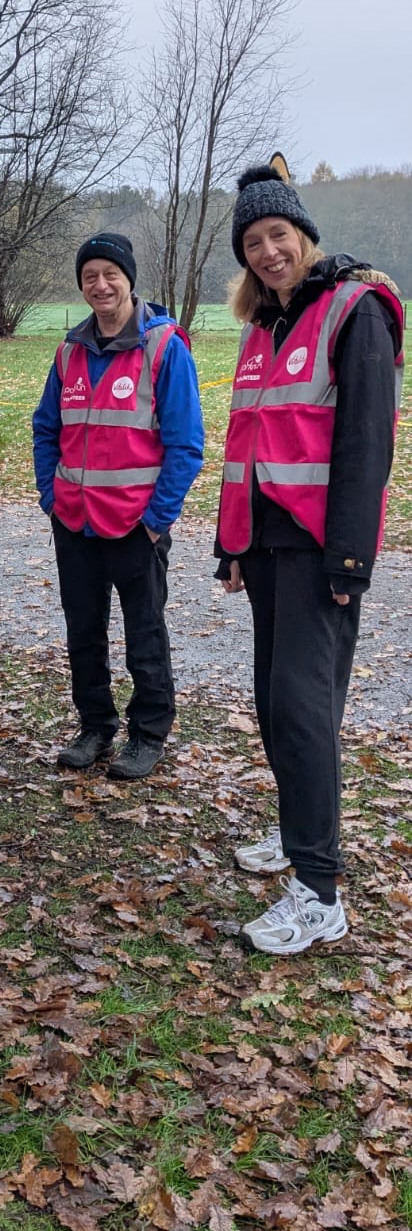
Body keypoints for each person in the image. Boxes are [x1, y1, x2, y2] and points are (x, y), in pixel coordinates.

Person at [217, 164, 404, 954]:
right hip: (265, 546)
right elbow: (245, 441)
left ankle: (319, 894)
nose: (268, 252)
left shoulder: (354, 311)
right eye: (253, 243)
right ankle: (299, 830)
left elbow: (367, 444)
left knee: (301, 709)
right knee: (279, 704)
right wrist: (229, 543)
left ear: (304, 235)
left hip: (319, 548)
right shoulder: (264, 327)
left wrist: (350, 560)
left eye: (278, 235)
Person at [33, 232, 204, 779]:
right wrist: (51, 496)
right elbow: (46, 429)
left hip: (136, 526)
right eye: (90, 276)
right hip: (75, 523)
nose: (100, 285)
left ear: (129, 280)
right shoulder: (70, 352)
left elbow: (186, 445)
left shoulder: (163, 347)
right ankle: (95, 726)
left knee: (144, 634)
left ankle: (148, 733)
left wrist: (156, 520)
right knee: (83, 633)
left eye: (111, 274)